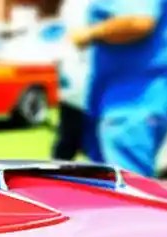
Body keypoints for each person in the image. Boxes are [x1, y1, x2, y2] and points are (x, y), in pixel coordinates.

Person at [72, 0, 167, 176]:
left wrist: (88, 33)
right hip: (137, 93)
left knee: (128, 188)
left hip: (135, 98)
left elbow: (138, 22)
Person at [53, 0, 93, 160]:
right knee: (68, 140)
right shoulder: (75, 5)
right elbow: (76, 39)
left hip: (80, 84)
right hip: (78, 85)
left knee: (69, 141)